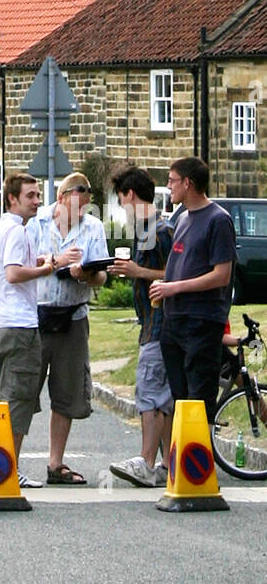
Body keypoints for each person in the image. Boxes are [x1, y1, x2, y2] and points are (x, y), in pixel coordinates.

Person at [0, 173, 66, 489]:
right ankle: (8, 470)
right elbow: (14, 274)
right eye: (30, 195)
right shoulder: (16, 231)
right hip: (17, 325)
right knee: (17, 400)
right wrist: (45, 269)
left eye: (37, 194)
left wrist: (40, 260)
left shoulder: (0, 229)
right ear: (12, 199)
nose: (37, 200)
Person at [28, 171, 109, 486]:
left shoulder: (93, 228)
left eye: (86, 208)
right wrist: (56, 261)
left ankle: (55, 463)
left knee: (66, 393)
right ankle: (6, 461)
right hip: (36, 314)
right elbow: (21, 264)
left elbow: (101, 275)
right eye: (76, 207)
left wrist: (85, 274)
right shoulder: (37, 224)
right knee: (24, 390)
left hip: (73, 317)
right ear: (61, 199)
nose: (81, 214)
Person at [150, 157, 236, 423]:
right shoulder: (183, 219)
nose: (168, 186)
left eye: (172, 180)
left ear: (188, 183)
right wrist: (166, 285)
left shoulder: (218, 220)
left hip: (201, 320)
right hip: (174, 320)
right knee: (181, 397)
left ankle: (198, 461)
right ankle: (180, 462)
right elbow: (184, 266)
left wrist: (174, 287)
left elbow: (221, 276)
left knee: (198, 398)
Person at [108, 165, 174, 487]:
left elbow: (175, 276)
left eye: (121, 201)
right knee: (162, 397)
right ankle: (167, 464)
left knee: (149, 394)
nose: (121, 207)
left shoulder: (158, 231)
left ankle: (148, 463)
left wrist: (138, 272)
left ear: (130, 195)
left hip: (159, 326)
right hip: (151, 324)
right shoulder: (146, 229)